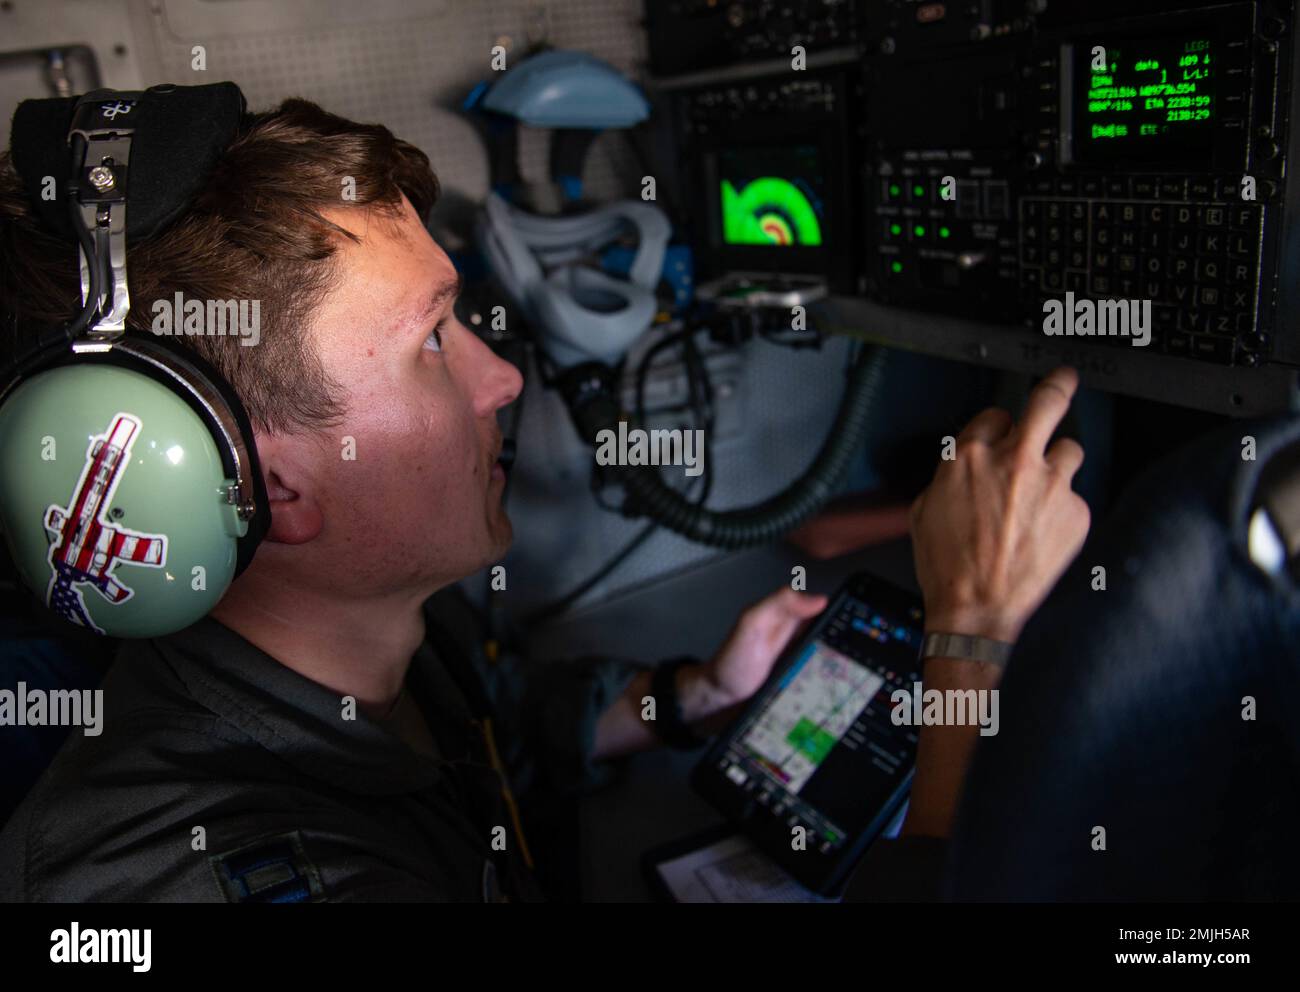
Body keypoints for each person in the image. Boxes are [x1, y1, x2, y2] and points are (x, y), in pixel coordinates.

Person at [0, 97, 1088, 902]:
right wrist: (975, 638)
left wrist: (686, 693)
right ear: (266, 481)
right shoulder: (192, 879)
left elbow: (489, 747)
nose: (501, 378)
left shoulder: (393, 642)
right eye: (432, 342)